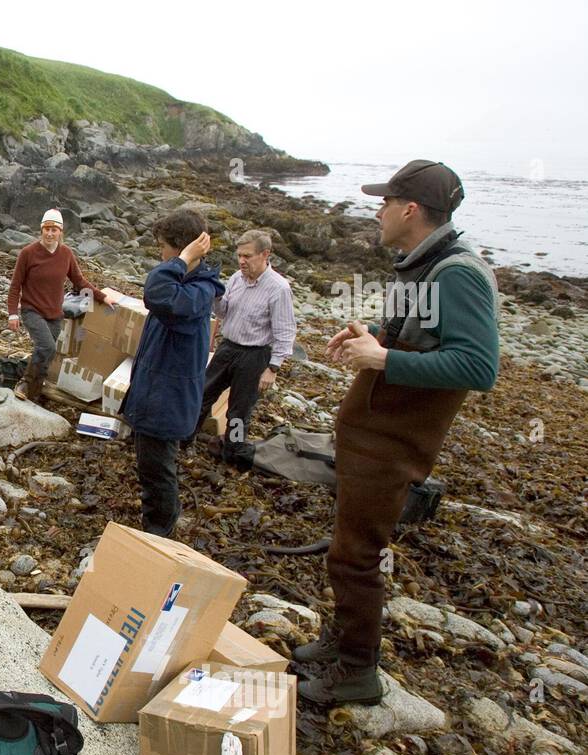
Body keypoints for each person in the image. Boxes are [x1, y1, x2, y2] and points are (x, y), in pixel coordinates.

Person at [293, 160, 500, 706]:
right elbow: (420, 339)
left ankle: (358, 670)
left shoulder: (458, 272)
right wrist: (374, 337)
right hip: (371, 439)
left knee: (359, 555)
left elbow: (479, 367)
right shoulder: (422, 265)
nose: (378, 210)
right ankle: (342, 641)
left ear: (411, 210)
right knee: (346, 549)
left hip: (394, 445)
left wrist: (382, 357)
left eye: (385, 202)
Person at [120, 210, 224, 537]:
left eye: (164, 247)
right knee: (151, 468)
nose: (160, 255)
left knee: (158, 472)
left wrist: (182, 259)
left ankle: (159, 532)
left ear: (180, 247)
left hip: (167, 402)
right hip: (155, 396)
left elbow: (157, 292)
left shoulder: (197, 292)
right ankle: (158, 524)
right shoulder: (186, 285)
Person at [194, 229, 295, 466]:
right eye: (239, 255)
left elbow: (285, 331)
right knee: (201, 394)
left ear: (265, 254)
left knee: (239, 412)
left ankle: (234, 452)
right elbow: (223, 312)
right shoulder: (236, 278)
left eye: (247, 256)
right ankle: (185, 438)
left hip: (255, 356)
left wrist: (273, 368)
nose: (241, 261)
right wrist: (216, 296)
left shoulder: (279, 288)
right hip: (228, 347)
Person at [6, 209, 117, 402]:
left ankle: (35, 391)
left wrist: (102, 297)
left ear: (60, 232)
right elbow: (15, 286)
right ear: (41, 229)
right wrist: (12, 314)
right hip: (32, 310)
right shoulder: (28, 253)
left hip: (55, 314)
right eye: (46, 229)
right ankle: (25, 382)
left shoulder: (66, 254)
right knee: (46, 346)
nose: (50, 233)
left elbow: (79, 281)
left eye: (54, 230)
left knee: (46, 353)